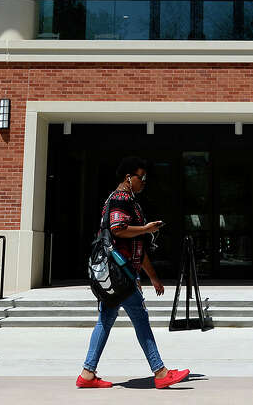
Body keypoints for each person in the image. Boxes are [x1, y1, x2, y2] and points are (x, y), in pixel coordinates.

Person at [76, 156, 190, 389]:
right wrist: (147, 229)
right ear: (129, 178)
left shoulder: (127, 200)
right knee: (140, 319)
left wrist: (153, 276)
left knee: (106, 320)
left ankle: (87, 374)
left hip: (124, 273)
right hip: (122, 274)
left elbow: (137, 245)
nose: (144, 182)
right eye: (142, 177)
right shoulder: (120, 199)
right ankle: (160, 372)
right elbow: (118, 230)